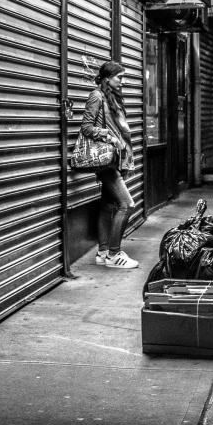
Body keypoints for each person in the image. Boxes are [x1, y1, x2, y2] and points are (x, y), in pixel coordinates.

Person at [81, 60, 139, 269]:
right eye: (120, 77)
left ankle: (103, 251)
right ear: (107, 78)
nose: (123, 82)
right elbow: (87, 127)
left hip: (117, 158)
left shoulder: (111, 97)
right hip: (106, 161)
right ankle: (114, 254)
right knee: (127, 204)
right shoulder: (96, 96)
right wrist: (110, 137)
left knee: (108, 206)